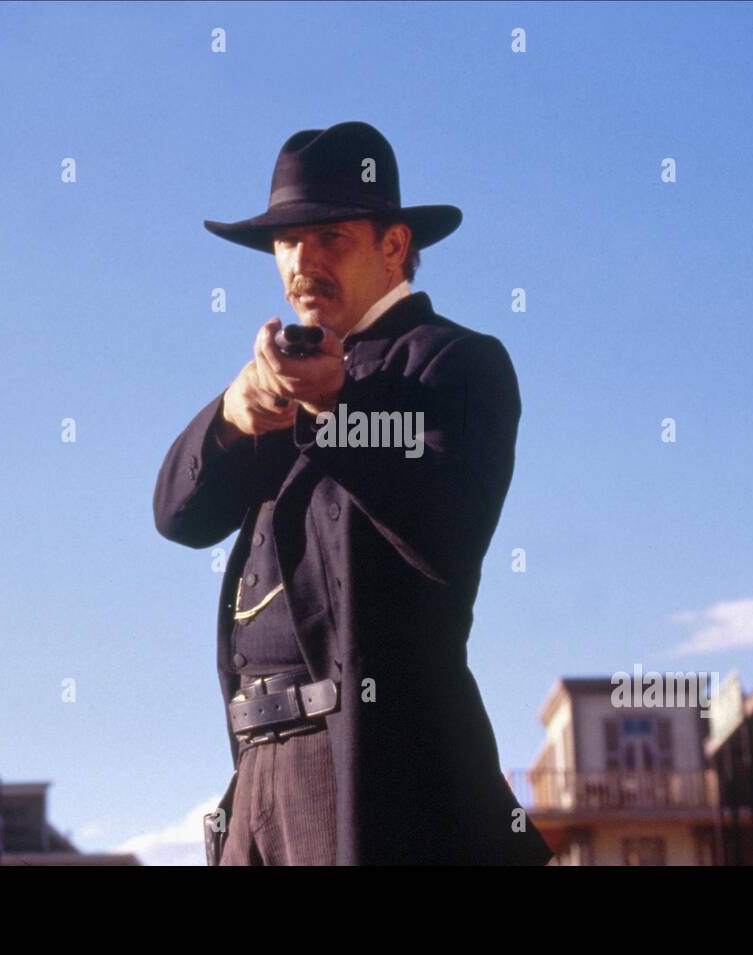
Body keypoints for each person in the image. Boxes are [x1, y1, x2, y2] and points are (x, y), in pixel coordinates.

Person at [154, 120, 551, 865]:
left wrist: (337, 406)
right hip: (256, 768)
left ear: (393, 245)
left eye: (329, 236)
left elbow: (446, 531)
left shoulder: (457, 362)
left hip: (363, 770)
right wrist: (235, 414)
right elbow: (176, 515)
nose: (302, 263)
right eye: (285, 243)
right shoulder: (279, 381)